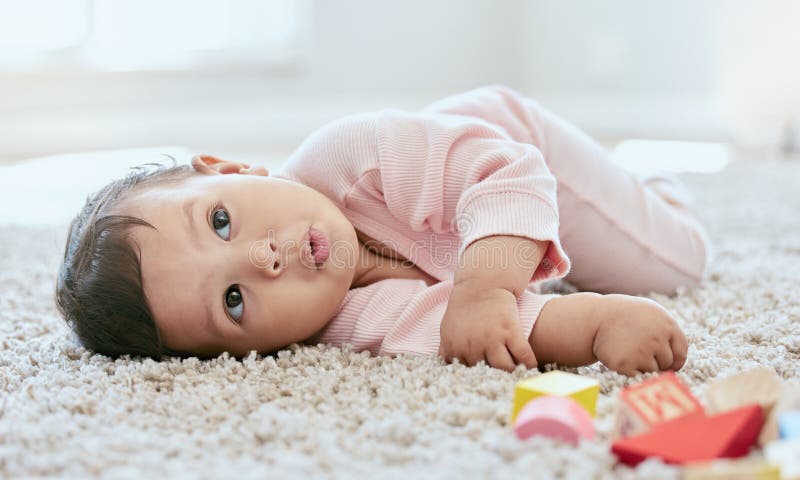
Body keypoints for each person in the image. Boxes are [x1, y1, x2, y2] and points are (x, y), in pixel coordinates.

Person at [56, 84, 710, 375]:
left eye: (221, 221)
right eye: (233, 300)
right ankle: (630, 189)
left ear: (229, 167)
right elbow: (494, 328)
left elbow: (509, 175)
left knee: (677, 264)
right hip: (487, 217)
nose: (265, 258)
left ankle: (655, 180)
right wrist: (598, 325)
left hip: (508, 149)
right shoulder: (349, 322)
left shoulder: (348, 153)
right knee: (611, 285)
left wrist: (480, 287)